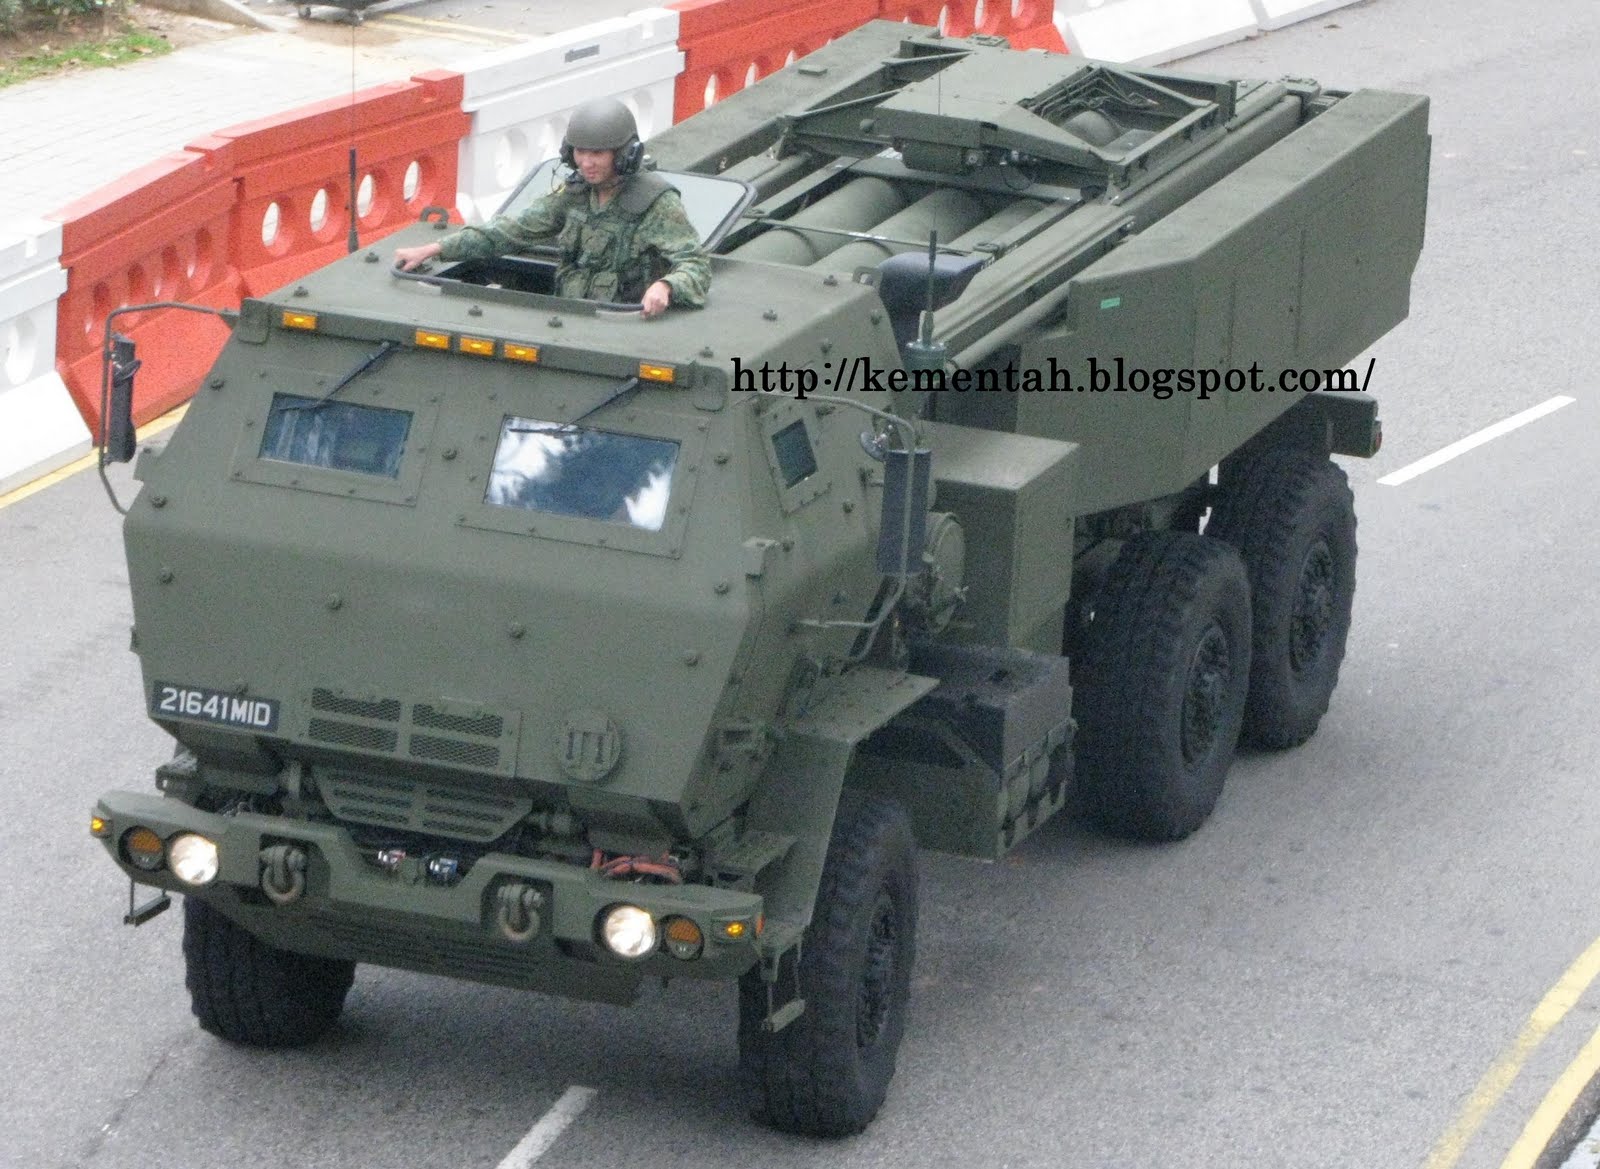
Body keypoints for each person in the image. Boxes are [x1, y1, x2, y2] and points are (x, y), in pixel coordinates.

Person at [394, 99, 710, 318]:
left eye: (598, 153)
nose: (587, 163)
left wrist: (666, 285)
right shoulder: (573, 195)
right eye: (581, 152)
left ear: (625, 154)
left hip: (623, 323)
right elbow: (510, 231)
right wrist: (435, 249)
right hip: (569, 316)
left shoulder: (655, 202)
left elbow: (695, 265)